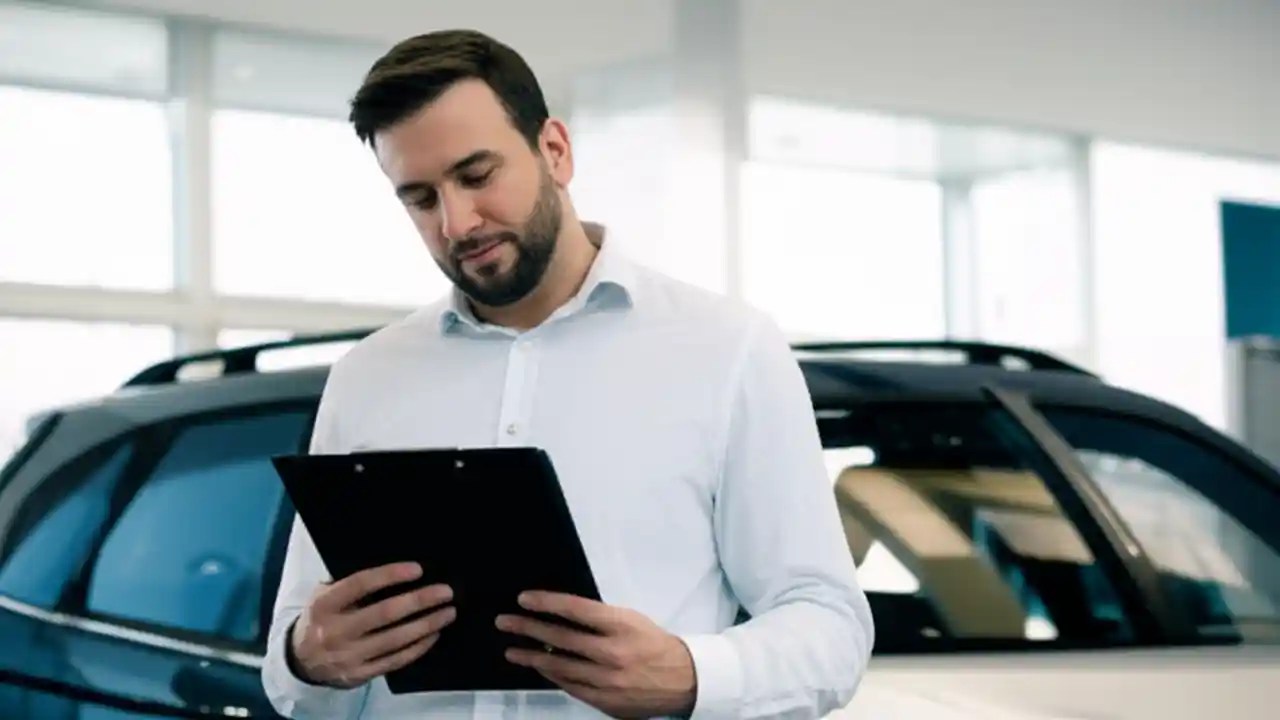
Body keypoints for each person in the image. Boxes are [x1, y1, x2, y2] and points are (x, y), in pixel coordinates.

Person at [261, 28, 874, 720]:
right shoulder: (367, 378)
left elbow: (830, 628)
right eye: (421, 198)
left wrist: (692, 673)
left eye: (476, 175)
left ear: (555, 150)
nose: (457, 222)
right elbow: (294, 681)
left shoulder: (727, 351)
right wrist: (306, 658)